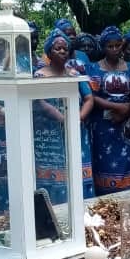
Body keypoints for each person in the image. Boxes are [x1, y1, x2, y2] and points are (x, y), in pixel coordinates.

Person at [33, 30, 94, 202]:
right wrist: (64, 120)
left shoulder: (74, 74)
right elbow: (40, 102)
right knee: (53, 176)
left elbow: (89, 98)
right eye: (58, 48)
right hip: (50, 135)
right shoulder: (39, 76)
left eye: (65, 49)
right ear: (49, 52)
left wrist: (78, 118)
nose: (62, 51)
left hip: (76, 129)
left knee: (77, 170)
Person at [88, 26, 130, 192]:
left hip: (127, 125)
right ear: (103, 47)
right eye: (110, 46)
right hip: (103, 126)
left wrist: (127, 110)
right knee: (104, 162)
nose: (114, 49)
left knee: (128, 162)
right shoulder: (94, 68)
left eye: (118, 45)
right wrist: (117, 107)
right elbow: (92, 96)